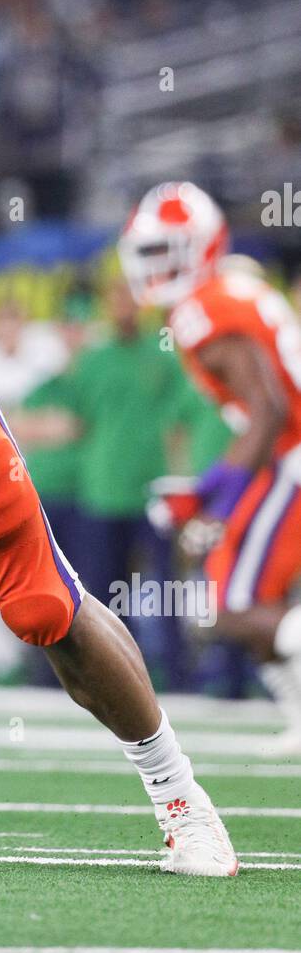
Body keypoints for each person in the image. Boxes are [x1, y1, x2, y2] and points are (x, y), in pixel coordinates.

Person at [119, 181, 301, 751]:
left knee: (228, 609)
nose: (158, 266)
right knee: (232, 597)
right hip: (282, 454)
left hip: (291, 455)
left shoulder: (201, 310)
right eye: (150, 253)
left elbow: (269, 411)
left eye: (167, 250)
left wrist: (211, 495)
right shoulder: (223, 293)